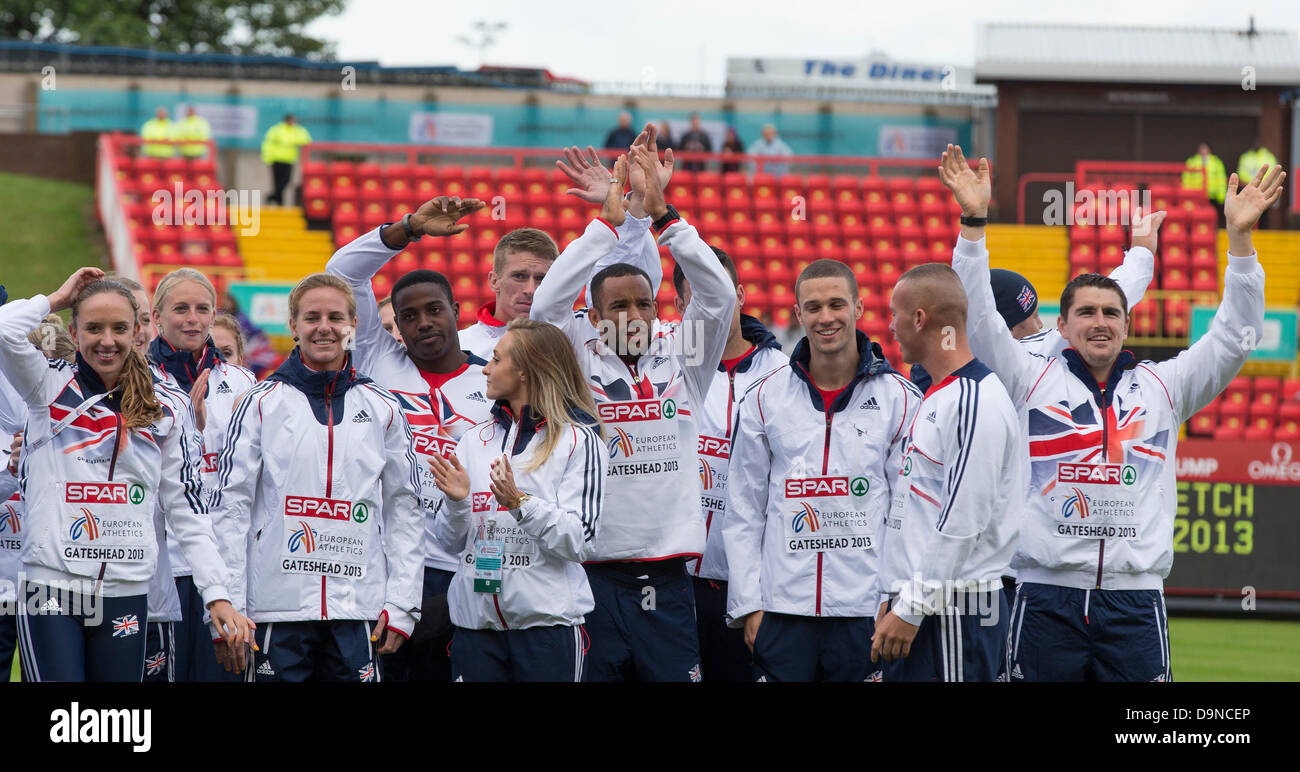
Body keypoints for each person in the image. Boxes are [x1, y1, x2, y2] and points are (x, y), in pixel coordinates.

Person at [940, 143, 1280, 681]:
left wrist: (1240, 245)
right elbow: (979, 316)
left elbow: (1234, 340)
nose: (1100, 322)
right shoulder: (1029, 379)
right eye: (1087, 313)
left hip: (1135, 604)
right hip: (1044, 596)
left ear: (1126, 324)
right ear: (1063, 326)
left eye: (1111, 313)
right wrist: (974, 223)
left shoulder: (1164, 388)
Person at [531, 144, 735, 681]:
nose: (635, 314)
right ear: (594, 315)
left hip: (669, 578)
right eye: (619, 305)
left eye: (644, 302)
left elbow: (717, 296)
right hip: (591, 573)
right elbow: (544, 308)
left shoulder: (683, 352)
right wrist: (604, 226)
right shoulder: (575, 352)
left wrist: (664, 216)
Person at [0, 268, 252, 681]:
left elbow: (188, 511)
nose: (107, 340)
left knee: (115, 725)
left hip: (128, 589)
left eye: (119, 327)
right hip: (51, 587)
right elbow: (4, 330)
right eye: (93, 328)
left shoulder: (169, 406)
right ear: (75, 331)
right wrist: (59, 297)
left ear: (139, 330)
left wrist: (217, 594)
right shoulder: (47, 388)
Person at [209, 273, 425, 682]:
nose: (323, 326)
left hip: (358, 609)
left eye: (335, 316)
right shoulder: (259, 403)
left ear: (353, 325)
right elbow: (231, 508)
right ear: (293, 326)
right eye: (311, 317)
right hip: (275, 609)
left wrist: (402, 605)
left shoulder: (384, 407)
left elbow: (405, 508)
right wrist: (230, 601)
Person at [724, 259, 920, 682]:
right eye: (813, 307)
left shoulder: (901, 399)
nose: (826, 317)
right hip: (781, 613)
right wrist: (749, 605)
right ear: (798, 314)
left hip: (865, 612)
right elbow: (743, 508)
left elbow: (908, 515)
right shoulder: (764, 397)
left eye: (836, 304)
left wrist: (897, 600)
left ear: (859, 308)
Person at [326, 195, 494, 682]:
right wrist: (408, 229)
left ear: (456, 311)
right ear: (394, 325)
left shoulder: (496, 383)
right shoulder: (378, 361)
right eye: (410, 316)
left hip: (461, 572)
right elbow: (343, 274)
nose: (423, 323)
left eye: (434, 310)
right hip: (381, 567)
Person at [428, 319, 607, 681]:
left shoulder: (579, 442)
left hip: (546, 632)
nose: (486, 369)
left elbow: (580, 541)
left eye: (495, 359)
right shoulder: (472, 441)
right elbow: (449, 542)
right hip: (475, 632)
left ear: (524, 371)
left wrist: (521, 504)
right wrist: (458, 504)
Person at [871, 263, 1019, 681]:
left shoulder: (974, 400)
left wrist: (912, 605)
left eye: (894, 314)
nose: (891, 326)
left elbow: (962, 521)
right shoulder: (940, 395)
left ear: (919, 319)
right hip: (924, 604)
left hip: (954, 611)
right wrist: (895, 592)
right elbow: (919, 513)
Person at [674, 249, 786, 681]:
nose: (716, 304)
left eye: (722, 291)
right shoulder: (668, 370)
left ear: (740, 294)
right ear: (683, 309)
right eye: (702, 295)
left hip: (751, 586)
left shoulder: (784, 375)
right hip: (675, 579)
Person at [145, 268, 257, 682]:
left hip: (224, 562)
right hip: (163, 562)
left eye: (201, 309)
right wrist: (186, 429)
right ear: (157, 317)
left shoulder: (243, 381)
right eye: (180, 308)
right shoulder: (137, 380)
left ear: (213, 317)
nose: (191, 318)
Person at [457, 228, 558, 360]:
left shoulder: (570, 342)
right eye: (519, 276)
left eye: (541, 279)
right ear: (494, 281)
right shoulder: (460, 346)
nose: (531, 290)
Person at [262, 114, 312, 206]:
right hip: (276, 159)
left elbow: (306, 139)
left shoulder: (297, 130)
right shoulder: (276, 130)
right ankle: (279, 202)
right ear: (287, 120)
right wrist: (267, 157)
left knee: (286, 181)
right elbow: (268, 144)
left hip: (289, 160)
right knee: (277, 182)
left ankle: (272, 197)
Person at [1181, 142, 1227, 211]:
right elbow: (1186, 179)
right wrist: (1188, 194)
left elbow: (1221, 180)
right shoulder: (1192, 162)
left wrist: (1222, 196)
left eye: (1205, 148)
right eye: (1202, 149)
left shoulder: (1216, 163)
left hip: (1212, 195)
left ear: (1209, 150)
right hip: (1196, 194)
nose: (1203, 151)